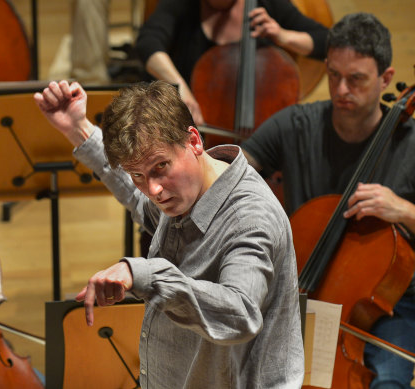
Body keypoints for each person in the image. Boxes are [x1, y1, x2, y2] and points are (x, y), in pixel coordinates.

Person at [34, 79, 304, 387]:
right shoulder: (188, 189)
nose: (154, 189)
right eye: (138, 175)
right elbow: (141, 201)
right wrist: (78, 128)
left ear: (193, 141)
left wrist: (146, 274)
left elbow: (240, 312)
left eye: (160, 167)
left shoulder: (250, 218)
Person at [241, 12, 415, 388]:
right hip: (308, 296)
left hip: (391, 304)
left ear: (386, 79)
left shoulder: (411, 143)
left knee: (390, 381)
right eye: (334, 75)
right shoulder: (295, 125)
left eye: (356, 79)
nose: (340, 90)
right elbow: (234, 172)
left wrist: (405, 210)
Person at [136, 0, 329, 125]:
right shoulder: (183, 5)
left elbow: (326, 41)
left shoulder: (267, 3)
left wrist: (283, 36)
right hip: (199, 131)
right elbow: (148, 43)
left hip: (262, 135)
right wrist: (181, 90)